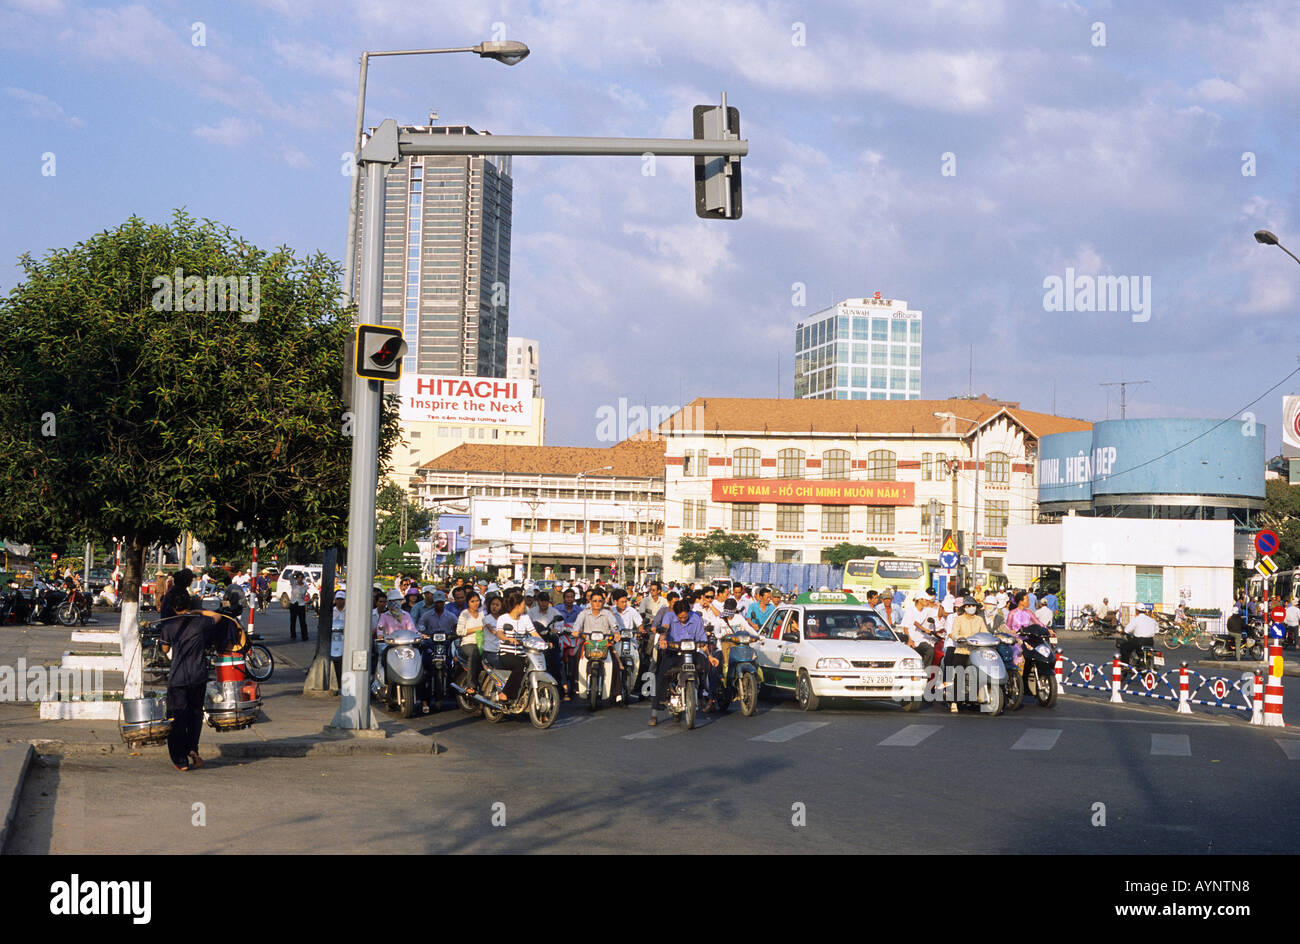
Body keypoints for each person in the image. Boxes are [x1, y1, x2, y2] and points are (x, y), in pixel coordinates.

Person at [160, 599, 243, 771]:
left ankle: (181, 760)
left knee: (177, 717)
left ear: (173, 607)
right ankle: (192, 748)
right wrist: (198, 612)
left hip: (178, 678)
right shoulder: (200, 623)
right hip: (198, 676)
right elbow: (217, 616)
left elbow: (165, 650)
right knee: (195, 715)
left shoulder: (169, 626)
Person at [649, 600, 715, 726]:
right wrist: (663, 639)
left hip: (691, 652)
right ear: (675, 614)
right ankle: (654, 712)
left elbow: (702, 639)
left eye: (685, 617)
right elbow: (664, 628)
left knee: (704, 665)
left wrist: (710, 656)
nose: (683, 619)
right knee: (662, 675)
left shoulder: (696, 618)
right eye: (680, 617)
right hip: (673, 652)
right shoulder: (669, 617)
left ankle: (701, 695)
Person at [490, 590, 544, 703]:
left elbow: (534, 633)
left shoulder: (525, 618)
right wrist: (507, 639)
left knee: (532, 666)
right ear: (517, 606)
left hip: (522, 653)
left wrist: (544, 643)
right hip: (506, 654)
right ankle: (505, 693)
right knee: (521, 666)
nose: (525, 607)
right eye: (523, 604)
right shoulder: (503, 618)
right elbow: (499, 633)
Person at [575, 587, 621, 703]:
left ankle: (617, 694)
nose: (597, 603)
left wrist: (616, 633)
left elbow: (615, 626)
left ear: (603, 602)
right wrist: (576, 631)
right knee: (575, 659)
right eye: (594, 601)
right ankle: (575, 686)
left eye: (600, 601)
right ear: (590, 602)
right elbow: (577, 626)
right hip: (587, 644)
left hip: (604, 645)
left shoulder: (607, 614)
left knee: (615, 664)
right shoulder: (583, 613)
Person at [455, 591, 485, 693]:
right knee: (474, 652)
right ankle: (470, 685)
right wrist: (477, 629)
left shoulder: (482, 614)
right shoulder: (464, 614)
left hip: (482, 643)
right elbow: (459, 631)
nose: (475, 603)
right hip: (468, 643)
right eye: (472, 601)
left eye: (477, 601)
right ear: (468, 602)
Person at [1119, 602, 1159, 668]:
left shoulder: (1135, 620)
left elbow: (1127, 630)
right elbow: (1157, 631)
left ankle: (1125, 666)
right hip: (1150, 641)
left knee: (1124, 647)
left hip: (1139, 641)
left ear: (1136, 611)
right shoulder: (1152, 620)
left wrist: (1122, 632)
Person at [329, 590, 346, 684]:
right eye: (338, 599)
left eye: (341, 599)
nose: (340, 601)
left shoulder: (348, 611)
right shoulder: (331, 611)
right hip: (332, 637)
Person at [288, 571, 309, 641]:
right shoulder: (294, 583)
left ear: (303, 578)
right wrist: (294, 574)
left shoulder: (305, 586)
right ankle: (293, 635)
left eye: (301, 578)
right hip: (293, 603)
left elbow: (303, 594)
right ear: (296, 578)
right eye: (298, 578)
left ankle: (304, 636)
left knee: (302, 621)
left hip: (301, 604)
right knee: (293, 620)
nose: (299, 579)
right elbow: (289, 576)